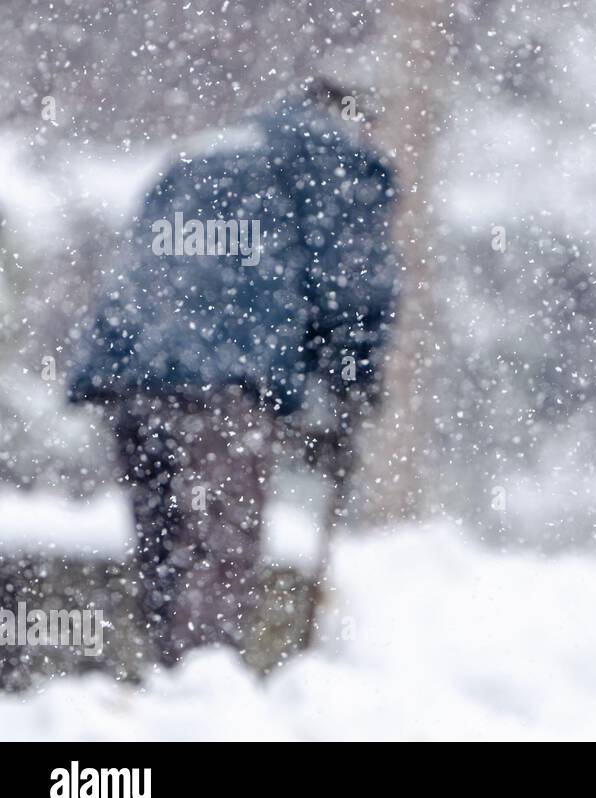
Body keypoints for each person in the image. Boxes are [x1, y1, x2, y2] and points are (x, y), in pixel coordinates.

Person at [67, 78, 398, 666]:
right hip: (221, 376)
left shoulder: (212, 146)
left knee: (164, 546)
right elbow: (353, 289)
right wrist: (351, 391)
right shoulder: (334, 155)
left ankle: (170, 689)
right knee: (218, 554)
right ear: (352, 116)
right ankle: (205, 702)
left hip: (130, 365)